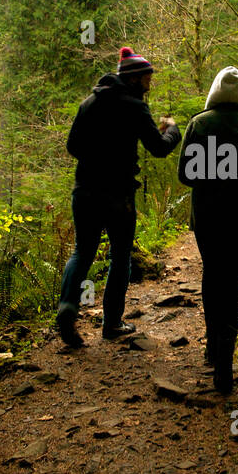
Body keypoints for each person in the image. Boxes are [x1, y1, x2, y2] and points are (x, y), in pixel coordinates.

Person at [57, 47, 180, 347]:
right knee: (121, 255)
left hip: (84, 191)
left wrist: (96, 159)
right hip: (118, 195)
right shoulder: (135, 107)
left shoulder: (89, 103)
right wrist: (173, 130)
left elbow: (72, 147)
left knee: (82, 252)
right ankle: (111, 323)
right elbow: (160, 148)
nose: (150, 85)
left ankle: (67, 308)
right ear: (135, 79)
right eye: (148, 79)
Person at [176, 66, 238, 393]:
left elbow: (186, 176)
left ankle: (212, 347)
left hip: (207, 218)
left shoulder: (198, 124)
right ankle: (226, 361)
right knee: (234, 282)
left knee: (212, 274)